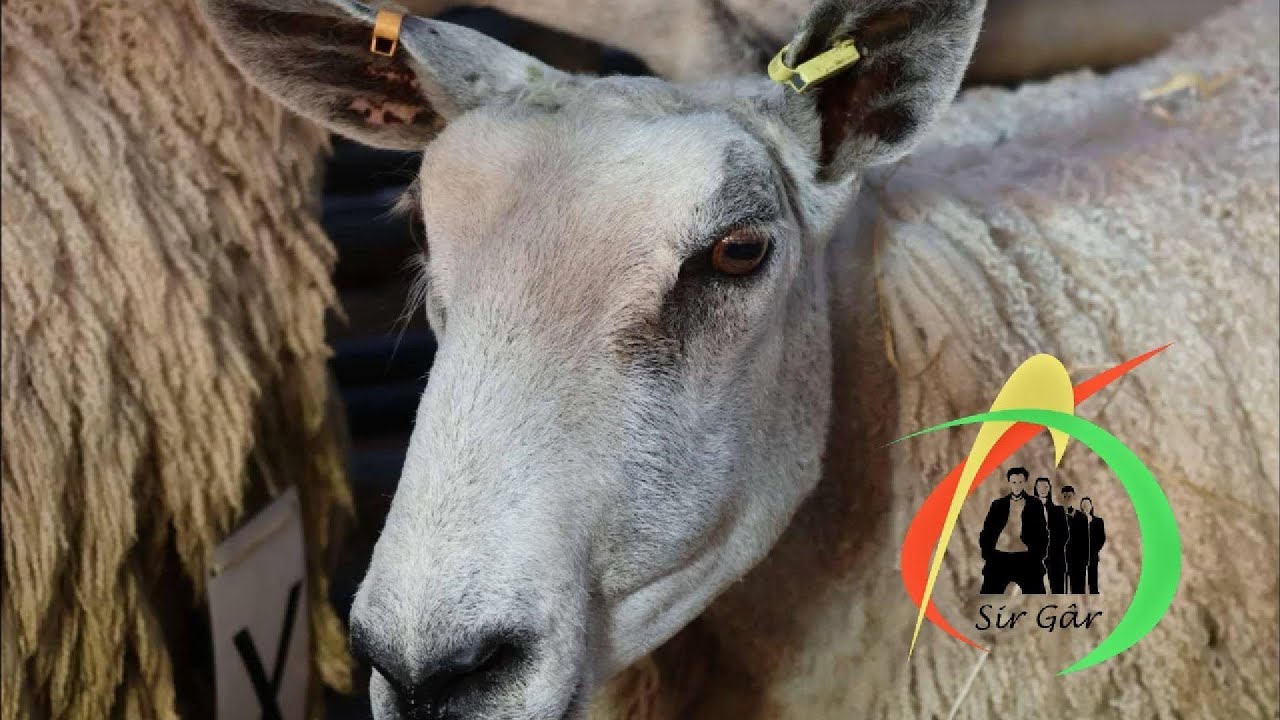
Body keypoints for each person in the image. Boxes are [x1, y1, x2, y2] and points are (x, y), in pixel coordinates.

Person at [978, 467, 1049, 594]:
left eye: (1020, 482)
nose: (1017, 486)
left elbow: (1042, 531)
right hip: (999, 557)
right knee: (988, 597)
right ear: (1009, 483)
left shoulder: (1034, 504)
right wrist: (988, 553)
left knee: (1037, 597)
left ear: (1025, 483)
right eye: (1014, 482)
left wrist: (1038, 554)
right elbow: (988, 530)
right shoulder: (998, 504)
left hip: (1027, 557)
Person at [1033, 477, 1069, 593]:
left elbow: (1065, 534)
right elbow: (1025, 534)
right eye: (1040, 487)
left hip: (1056, 558)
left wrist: (1052, 547)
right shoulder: (1028, 511)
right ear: (1035, 489)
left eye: (1046, 487)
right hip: (1035, 559)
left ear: (1050, 489)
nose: (1043, 489)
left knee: (1058, 592)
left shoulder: (1059, 511)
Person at [1062, 485, 1090, 593]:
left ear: (1074, 497)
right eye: (1065, 496)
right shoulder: (1057, 515)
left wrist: (1085, 560)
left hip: (1078, 558)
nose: (1067, 499)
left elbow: (1085, 539)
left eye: (1069, 496)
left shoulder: (1081, 517)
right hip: (1061, 558)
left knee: (1078, 587)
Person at [1080, 497, 1106, 594]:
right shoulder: (1076, 520)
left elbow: (1102, 538)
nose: (1086, 506)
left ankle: (1094, 601)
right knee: (1080, 582)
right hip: (1080, 556)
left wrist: (1095, 550)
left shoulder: (1098, 521)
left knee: (1093, 581)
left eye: (1087, 504)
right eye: (1083, 504)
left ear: (1091, 506)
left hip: (1093, 555)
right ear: (1081, 507)